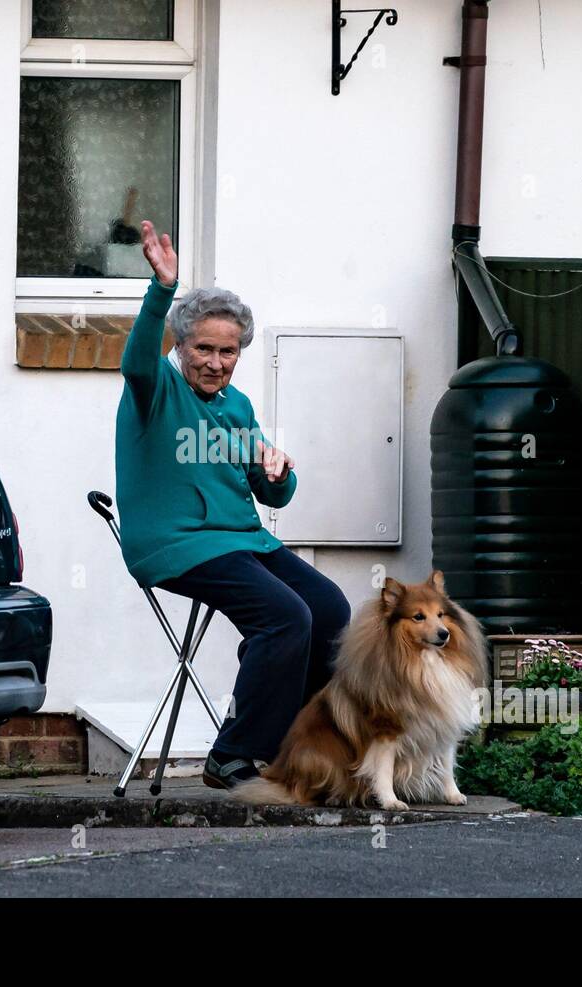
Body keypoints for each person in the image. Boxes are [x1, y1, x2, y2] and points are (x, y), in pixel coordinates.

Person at [114, 221, 351, 790]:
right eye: (203, 349)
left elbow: (269, 492)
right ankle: (236, 753)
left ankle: (299, 742)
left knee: (329, 609)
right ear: (180, 346)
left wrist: (278, 470)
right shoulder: (156, 390)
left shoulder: (237, 404)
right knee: (284, 615)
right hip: (176, 542)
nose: (216, 362)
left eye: (228, 352)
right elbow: (135, 361)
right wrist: (161, 290)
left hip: (243, 539)